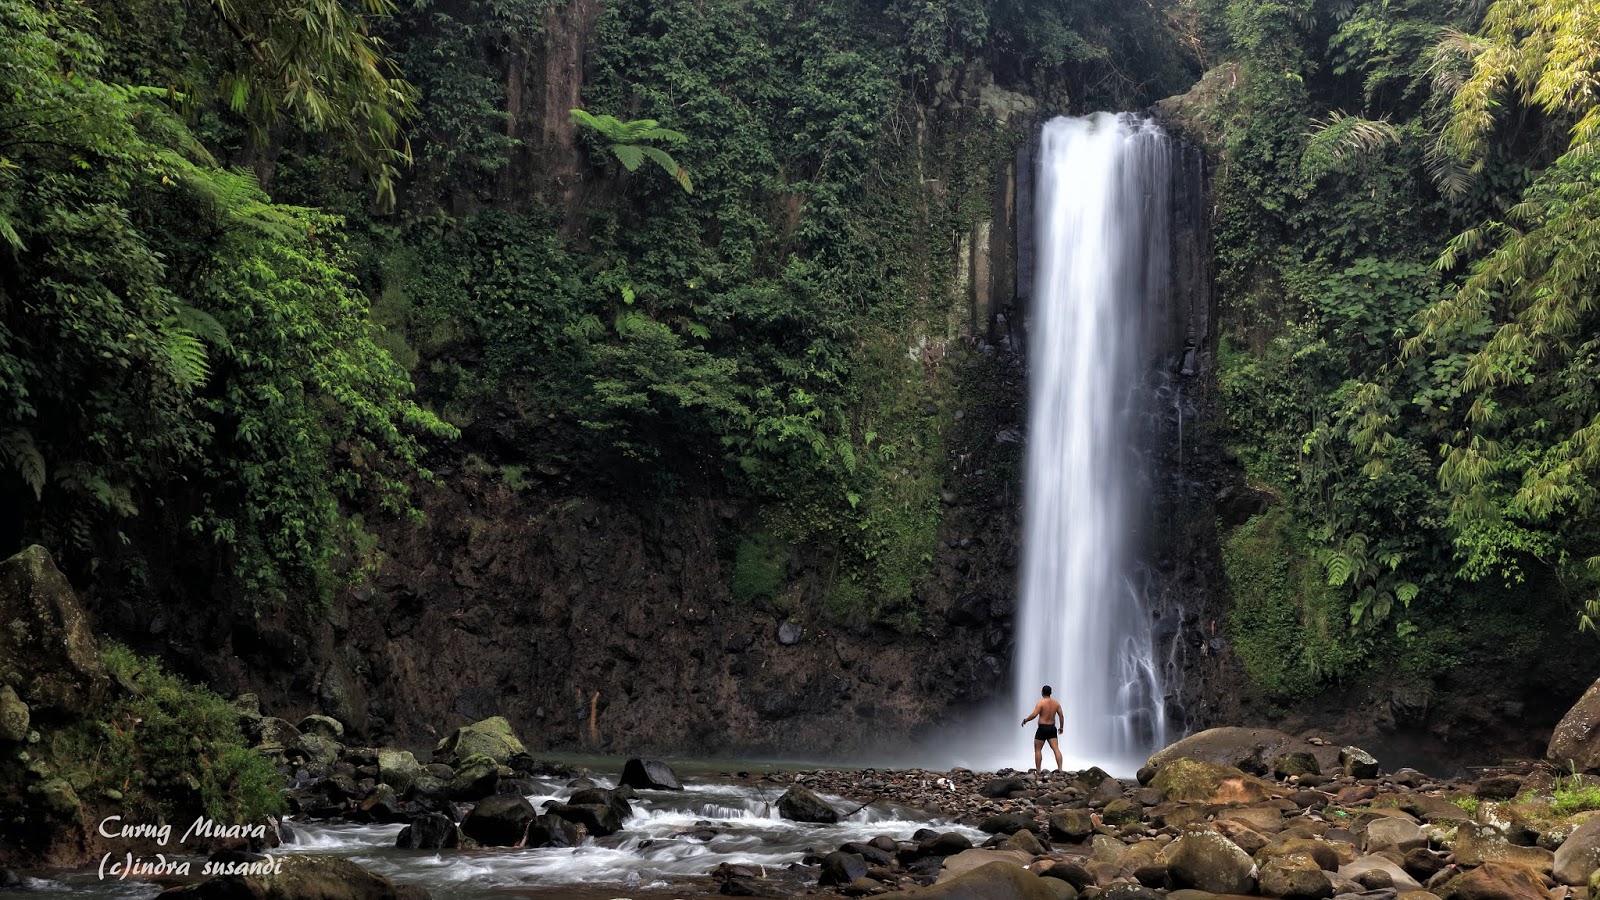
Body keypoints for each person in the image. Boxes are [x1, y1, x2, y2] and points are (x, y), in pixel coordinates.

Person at [1021, 685, 1064, 775]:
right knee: (1056, 749)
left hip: (1042, 728)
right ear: (1051, 693)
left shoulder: (1040, 703)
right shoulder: (1056, 703)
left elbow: (1034, 715)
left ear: (1042, 692)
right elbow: (1061, 715)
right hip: (1052, 728)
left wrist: (1025, 720)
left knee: (1038, 750)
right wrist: (1061, 727)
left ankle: (1039, 771)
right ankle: (1060, 770)